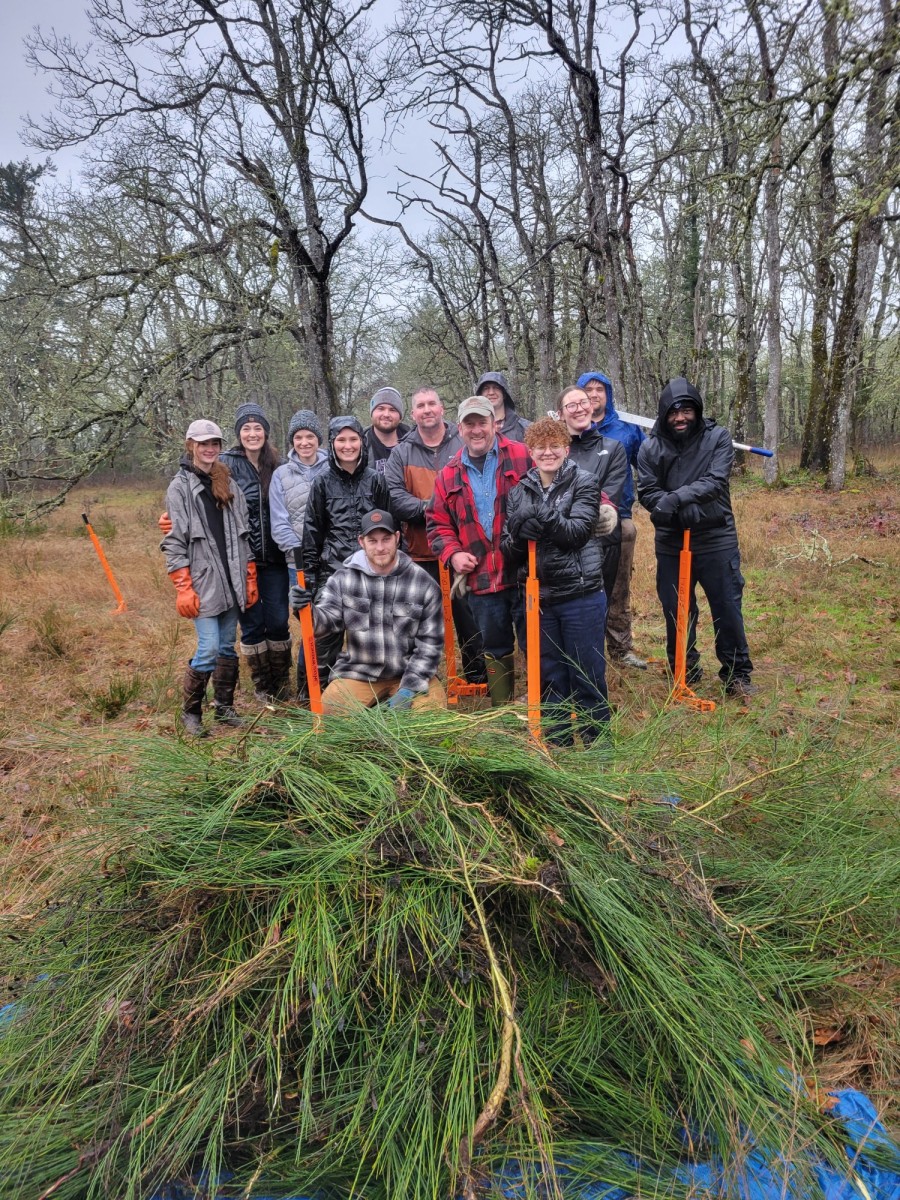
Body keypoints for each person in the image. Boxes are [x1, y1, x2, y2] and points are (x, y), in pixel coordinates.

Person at [501, 418, 618, 744]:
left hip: (580, 594)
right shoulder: (518, 492)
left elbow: (577, 533)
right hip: (539, 599)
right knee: (550, 675)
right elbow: (507, 551)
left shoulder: (586, 483)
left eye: (555, 446)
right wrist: (520, 536)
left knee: (587, 672)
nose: (548, 452)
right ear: (531, 452)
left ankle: (598, 743)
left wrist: (541, 515)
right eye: (541, 447)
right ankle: (559, 742)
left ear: (566, 449)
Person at [637, 378, 754, 697]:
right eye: (673, 412)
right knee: (676, 608)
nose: (680, 418)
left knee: (726, 606)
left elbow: (716, 481)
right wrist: (674, 510)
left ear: (697, 411)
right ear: (664, 414)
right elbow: (647, 491)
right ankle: (683, 668)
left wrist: (677, 498)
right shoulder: (650, 447)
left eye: (687, 411)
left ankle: (737, 674)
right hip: (672, 541)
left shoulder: (718, 438)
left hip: (716, 536)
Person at [426, 396, 531, 705]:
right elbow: (436, 523)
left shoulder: (523, 455)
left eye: (482, 422)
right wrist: (453, 553)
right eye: (469, 424)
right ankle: (503, 707)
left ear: (494, 424)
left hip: (524, 571)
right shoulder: (448, 474)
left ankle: (545, 703)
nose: (476, 430)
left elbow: (563, 479)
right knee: (495, 646)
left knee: (536, 641)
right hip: (481, 577)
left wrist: (600, 506)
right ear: (459, 429)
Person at [291, 510, 445, 714]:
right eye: (372, 541)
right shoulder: (343, 580)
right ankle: (376, 714)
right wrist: (305, 609)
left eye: (386, 539)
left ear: (397, 538)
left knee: (431, 714)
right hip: (359, 673)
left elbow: (430, 646)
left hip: (408, 673)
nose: (380, 548)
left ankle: (392, 708)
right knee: (331, 711)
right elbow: (323, 624)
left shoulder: (424, 584)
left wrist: (408, 690)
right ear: (361, 541)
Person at [383, 386, 487, 684]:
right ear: (413, 414)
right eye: (420, 405)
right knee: (422, 622)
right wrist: (437, 507)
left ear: (442, 409)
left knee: (470, 618)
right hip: (421, 553)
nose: (427, 410)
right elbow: (396, 499)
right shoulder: (401, 452)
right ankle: (427, 683)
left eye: (432, 404)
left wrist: (449, 511)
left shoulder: (463, 440)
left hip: (464, 550)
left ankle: (479, 679)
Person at [160, 419, 256, 736]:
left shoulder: (228, 482)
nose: (210, 449)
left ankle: (225, 708)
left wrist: (250, 574)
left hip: (233, 579)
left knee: (227, 646)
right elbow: (174, 541)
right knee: (209, 647)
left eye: (214, 443)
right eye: (203, 444)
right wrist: (183, 587)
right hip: (203, 582)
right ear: (191, 446)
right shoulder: (180, 488)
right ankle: (191, 713)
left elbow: (244, 533)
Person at [301, 415, 396, 686]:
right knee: (321, 642)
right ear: (332, 444)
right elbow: (312, 533)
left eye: (353, 439)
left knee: (374, 641)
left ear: (362, 442)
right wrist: (309, 579)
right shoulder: (322, 483)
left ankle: (371, 696)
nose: (347, 445)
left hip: (372, 574)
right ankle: (312, 698)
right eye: (341, 440)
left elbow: (390, 529)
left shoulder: (376, 480)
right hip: (332, 573)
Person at [218, 402, 291, 702]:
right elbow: (195, 484)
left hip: (275, 558)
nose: (252, 434)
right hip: (242, 559)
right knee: (252, 623)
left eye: (257, 428)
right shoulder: (225, 464)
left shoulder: (278, 465)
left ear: (266, 432)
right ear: (239, 433)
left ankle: (280, 682)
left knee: (278, 620)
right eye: (246, 429)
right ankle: (262, 686)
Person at [577, 371, 648, 670]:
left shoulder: (626, 429)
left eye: (600, 390)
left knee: (618, 587)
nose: (594, 395)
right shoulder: (570, 429)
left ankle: (620, 648)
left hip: (619, 518)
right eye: (588, 390)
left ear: (608, 395)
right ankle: (582, 649)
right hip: (574, 522)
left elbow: (648, 463)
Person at [558, 384, 628, 603]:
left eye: (583, 402)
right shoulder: (554, 451)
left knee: (599, 607)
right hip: (561, 544)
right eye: (571, 405)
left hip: (603, 541)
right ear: (561, 414)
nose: (579, 409)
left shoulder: (613, 448)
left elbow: (611, 493)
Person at [364, 386, 411, 473]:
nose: (386, 414)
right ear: (372, 413)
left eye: (392, 410)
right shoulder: (359, 445)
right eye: (381, 409)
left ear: (400, 416)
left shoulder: (415, 443)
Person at [474, 371, 531, 443]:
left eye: (496, 388)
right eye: (486, 388)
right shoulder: (469, 430)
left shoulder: (525, 428)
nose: (491, 392)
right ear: (480, 395)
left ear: (504, 394)